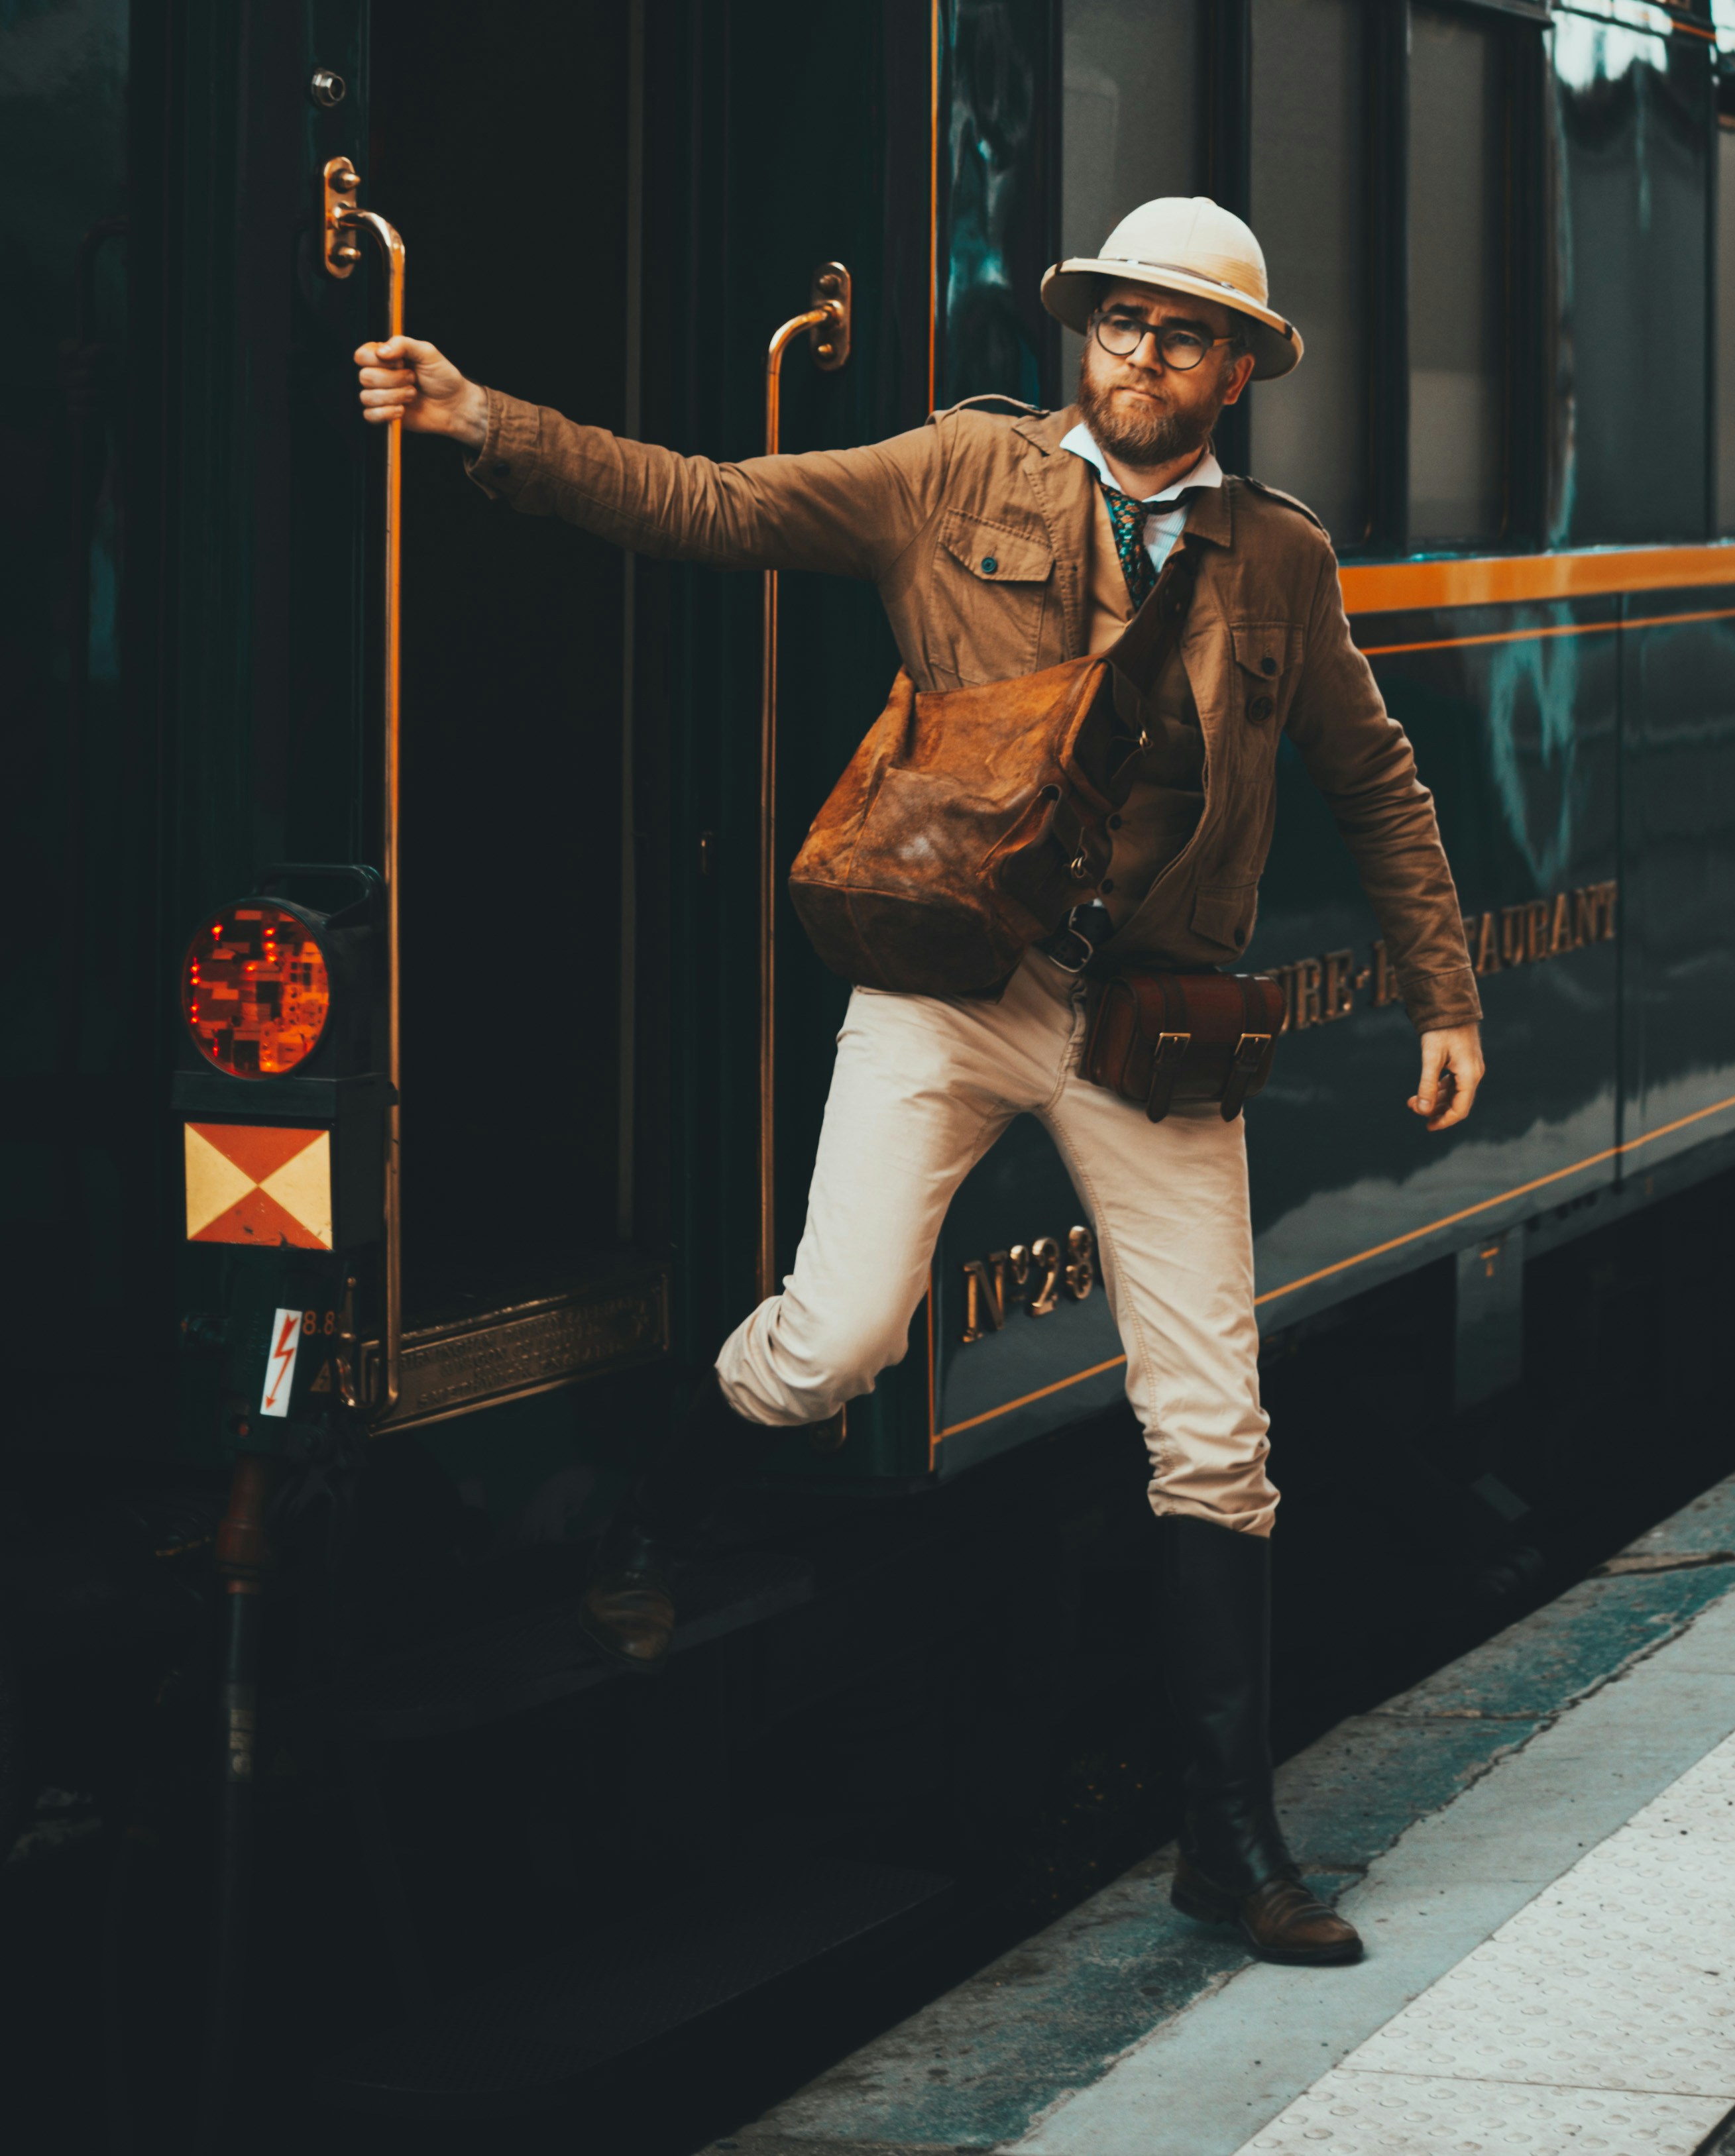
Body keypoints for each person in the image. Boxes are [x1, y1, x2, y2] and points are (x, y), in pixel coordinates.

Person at [356, 195, 1483, 1967]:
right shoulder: (952, 479)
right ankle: (663, 1501)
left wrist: (1446, 995)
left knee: (1217, 1435)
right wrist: (487, 420)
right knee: (838, 1340)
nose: (1145, 356)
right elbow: (713, 502)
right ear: (1084, 334)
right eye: (1122, 322)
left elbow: (1380, 774)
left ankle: (1231, 1838)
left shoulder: (1279, 560)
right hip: (951, 984)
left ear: (1238, 372)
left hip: (1153, 1017)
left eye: (1187, 336)